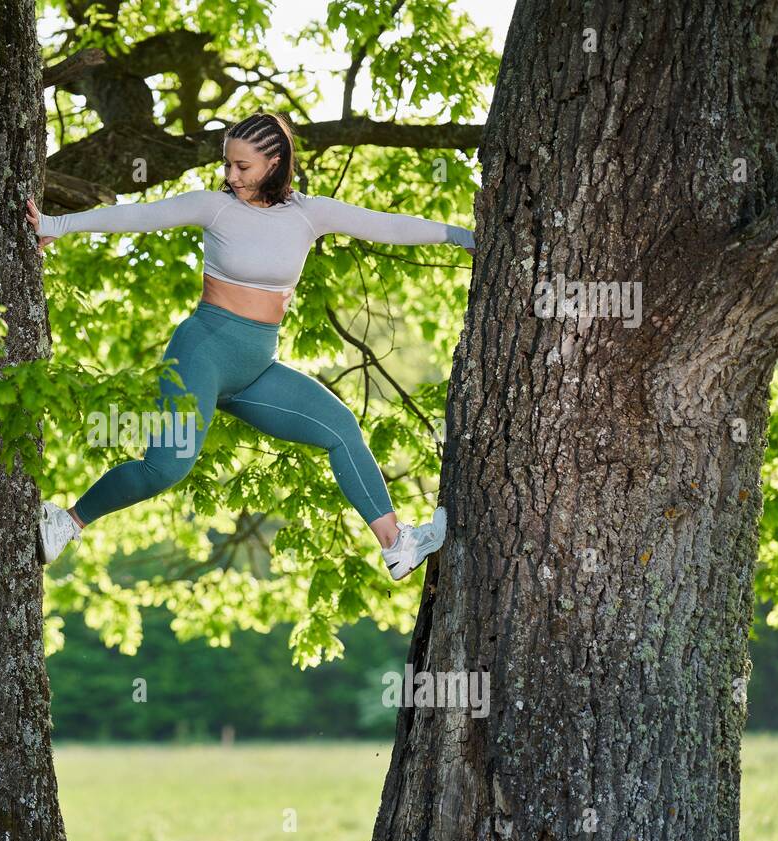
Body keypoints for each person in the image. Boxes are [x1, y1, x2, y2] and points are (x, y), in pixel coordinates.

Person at [29, 111, 473, 581]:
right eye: (227, 164)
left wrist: (462, 237)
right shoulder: (216, 207)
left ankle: (397, 545)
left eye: (243, 167)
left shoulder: (309, 213)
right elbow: (140, 216)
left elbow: (387, 225)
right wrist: (59, 224)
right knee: (165, 469)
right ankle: (67, 521)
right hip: (202, 353)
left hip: (257, 368)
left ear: (274, 162)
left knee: (341, 426)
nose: (231, 175)